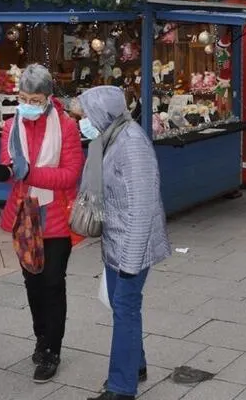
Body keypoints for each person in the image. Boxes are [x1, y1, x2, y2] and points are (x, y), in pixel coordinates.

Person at [0, 64, 84, 383]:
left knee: (53, 283)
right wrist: (5, 172)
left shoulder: (67, 127)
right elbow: (10, 164)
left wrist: (28, 172)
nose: (27, 104)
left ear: (47, 98)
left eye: (34, 98)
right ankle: (41, 337)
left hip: (56, 214)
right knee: (33, 281)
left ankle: (52, 349)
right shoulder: (10, 126)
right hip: (25, 214)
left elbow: (70, 174)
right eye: (23, 97)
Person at [76, 86, 170, 400]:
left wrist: (130, 261)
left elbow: (142, 206)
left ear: (103, 114)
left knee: (125, 309)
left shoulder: (131, 145)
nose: (84, 121)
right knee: (123, 306)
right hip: (117, 240)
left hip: (132, 245)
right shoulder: (111, 136)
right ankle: (136, 364)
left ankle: (121, 388)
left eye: (88, 115)